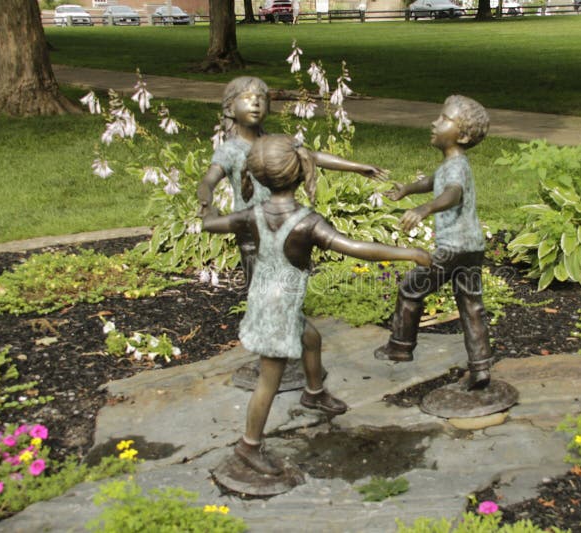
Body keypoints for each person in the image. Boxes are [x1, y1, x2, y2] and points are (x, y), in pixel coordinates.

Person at [202, 135, 431, 476]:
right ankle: (249, 446)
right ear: (300, 174)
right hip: (279, 308)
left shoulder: (251, 214)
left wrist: (207, 207)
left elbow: (210, 224)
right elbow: (353, 247)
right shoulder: (306, 222)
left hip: (266, 298)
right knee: (269, 381)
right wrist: (408, 252)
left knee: (311, 339)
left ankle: (314, 392)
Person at [196, 76, 387, 291]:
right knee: (258, 289)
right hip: (250, 229)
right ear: (230, 109)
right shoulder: (229, 150)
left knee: (287, 285)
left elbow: (311, 156)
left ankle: (285, 315)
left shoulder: (275, 144)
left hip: (285, 222)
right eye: (247, 98)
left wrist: (357, 167)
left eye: (261, 98)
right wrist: (205, 197)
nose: (256, 103)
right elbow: (209, 180)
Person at [374, 95, 493, 391]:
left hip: (452, 249)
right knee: (470, 305)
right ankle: (480, 366)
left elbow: (451, 194)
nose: (434, 122)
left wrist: (424, 209)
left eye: (443, 119)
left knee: (411, 289)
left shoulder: (455, 168)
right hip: (472, 249)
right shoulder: (453, 164)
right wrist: (408, 190)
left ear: (462, 135)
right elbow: (433, 181)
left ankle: (400, 346)